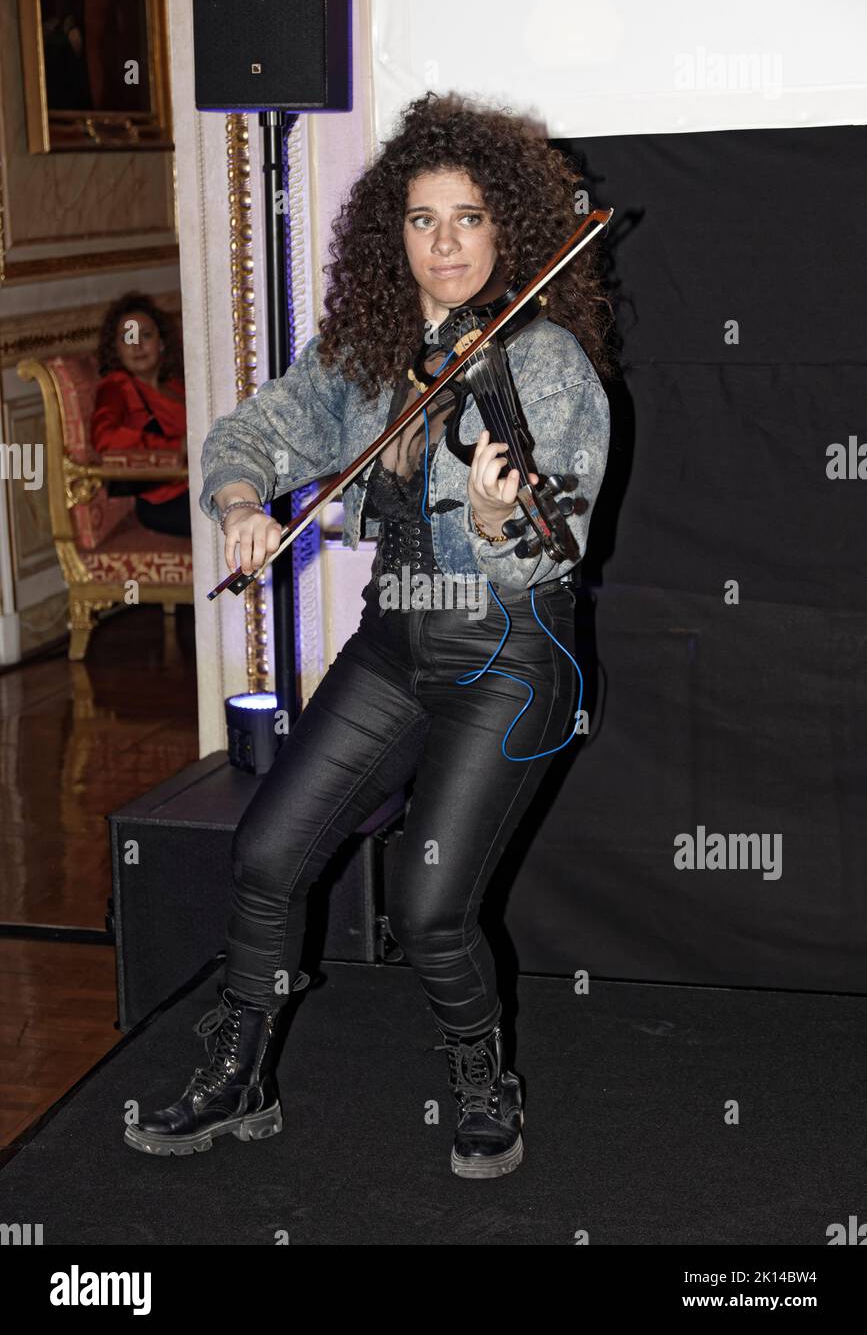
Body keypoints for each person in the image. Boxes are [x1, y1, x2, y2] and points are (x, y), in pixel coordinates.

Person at [123, 92, 615, 1178]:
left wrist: (497, 520)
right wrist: (245, 497)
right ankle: (238, 1072)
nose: (445, 243)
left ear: (511, 231)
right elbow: (255, 427)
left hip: (509, 660)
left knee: (433, 906)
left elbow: (551, 544)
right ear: (393, 234)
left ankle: (485, 1079)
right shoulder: (369, 351)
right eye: (422, 219)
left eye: (469, 217)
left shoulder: (549, 371)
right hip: (396, 647)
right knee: (265, 854)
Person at [92, 292, 191, 537]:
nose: (137, 345)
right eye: (128, 337)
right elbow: (105, 438)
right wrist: (177, 447)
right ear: (116, 348)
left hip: (202, 485)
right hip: (164, 501)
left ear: (161, 342)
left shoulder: (177, 386)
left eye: (145, 335)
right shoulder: (117, 387)